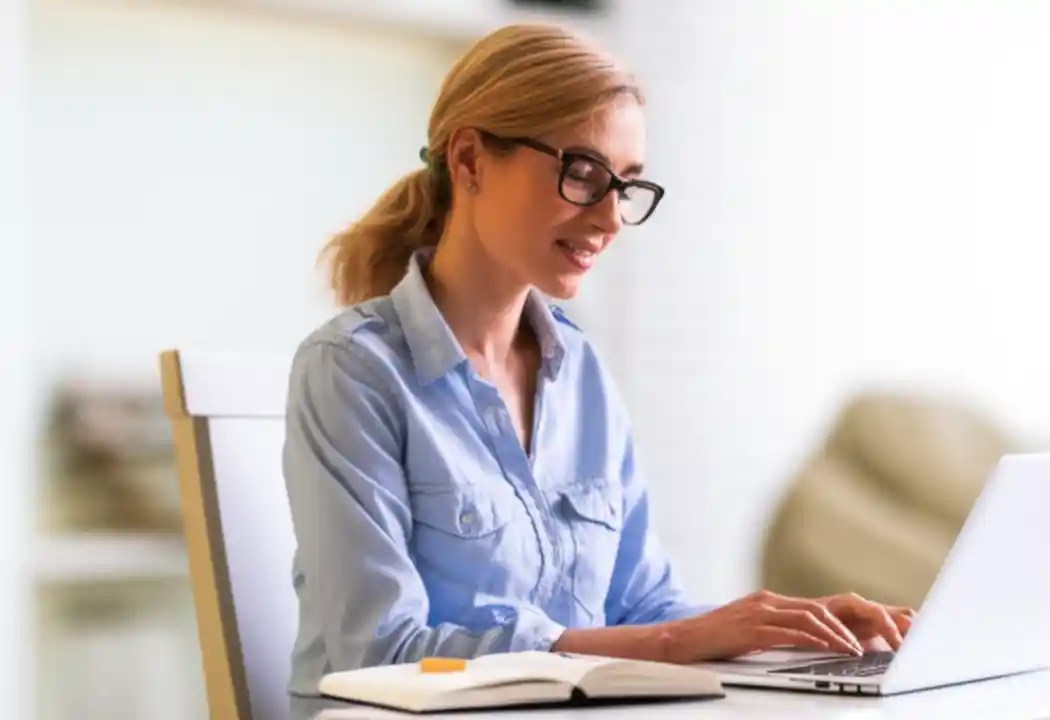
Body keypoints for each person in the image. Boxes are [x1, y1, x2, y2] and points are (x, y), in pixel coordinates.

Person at [283, 23, 914, 699]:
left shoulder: (577, 370)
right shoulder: (351, 372)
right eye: (583, 172)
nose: (612, 217)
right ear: (469, 160)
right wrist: (670, 643)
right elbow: (380, 650)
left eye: (628, 184)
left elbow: (643, 611)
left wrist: (787, 630)